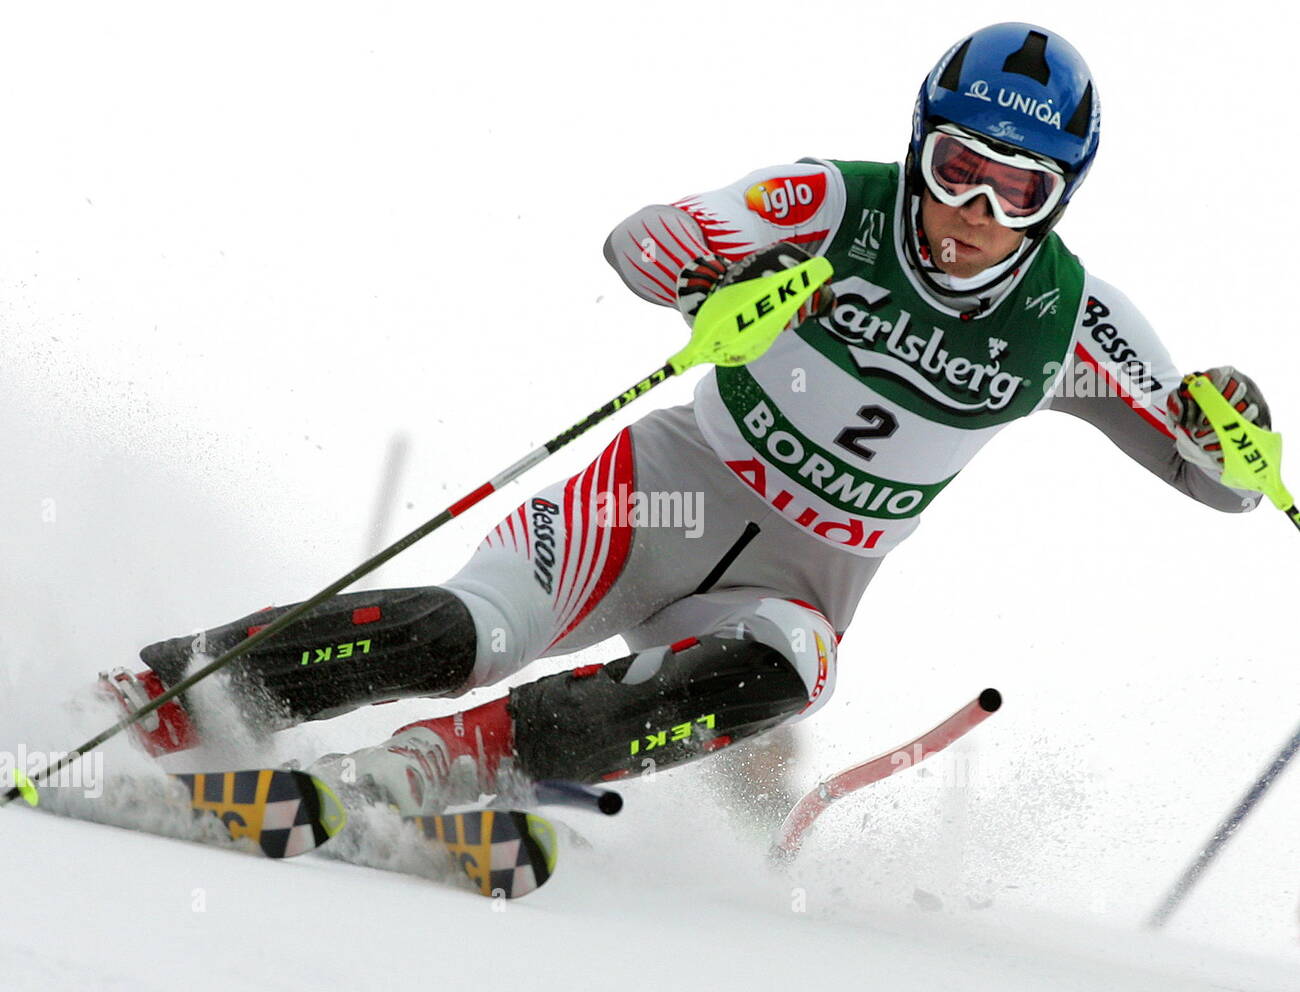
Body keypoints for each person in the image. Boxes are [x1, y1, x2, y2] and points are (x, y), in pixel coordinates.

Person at [101, 22, 1268, 813]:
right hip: (651, 496)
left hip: (799, 581)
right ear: (920, 140)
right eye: (959, 164)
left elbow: (1212, 478)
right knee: (469, 633)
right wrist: (683, 263)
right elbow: (649, 239)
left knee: (788, 673)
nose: (971, 211)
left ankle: (430, 771)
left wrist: (1231, 431)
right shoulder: (831, 203)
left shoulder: (1070, 323)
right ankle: (166, 696)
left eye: (1019, 190)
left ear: (1061, 196)